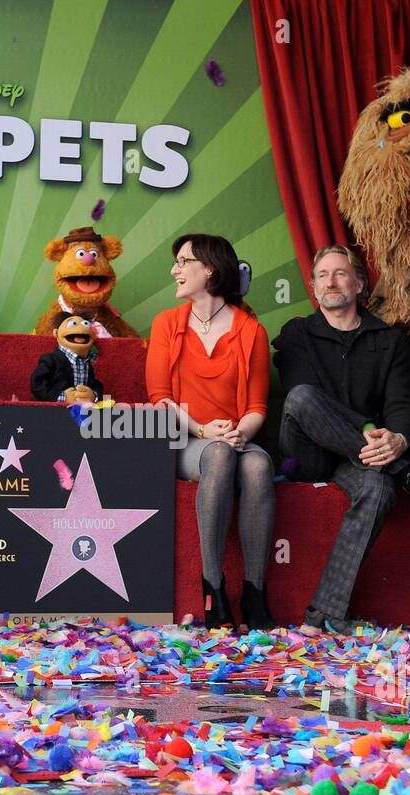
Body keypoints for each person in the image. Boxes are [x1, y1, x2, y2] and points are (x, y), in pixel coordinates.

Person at [273, 245, 410, 635]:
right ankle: (406, 474)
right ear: (313, 287)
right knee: (302, 397)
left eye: (340, 273)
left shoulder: (390, 342)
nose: (331, 281)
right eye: (322, 275)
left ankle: (323, 615)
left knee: (379, 490)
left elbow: (400, 405)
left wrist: (400, 439)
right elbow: (305, 401)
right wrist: (379, 437)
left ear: (359, 284)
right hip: (309, 452)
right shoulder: (296, 334)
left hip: (362, 460)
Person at [146, 233, 275, 629]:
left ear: (210, 269)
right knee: (218, 455)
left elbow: (256, 408)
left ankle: (254, 590)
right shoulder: (167, 324)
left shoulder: (251, 331)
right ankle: (213, 585)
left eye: (183, 262)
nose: (175, 270)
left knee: (256, 467)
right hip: (186, 438)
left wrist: (240, 434)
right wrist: (205, 430)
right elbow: (159, 398)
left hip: (235, 437)